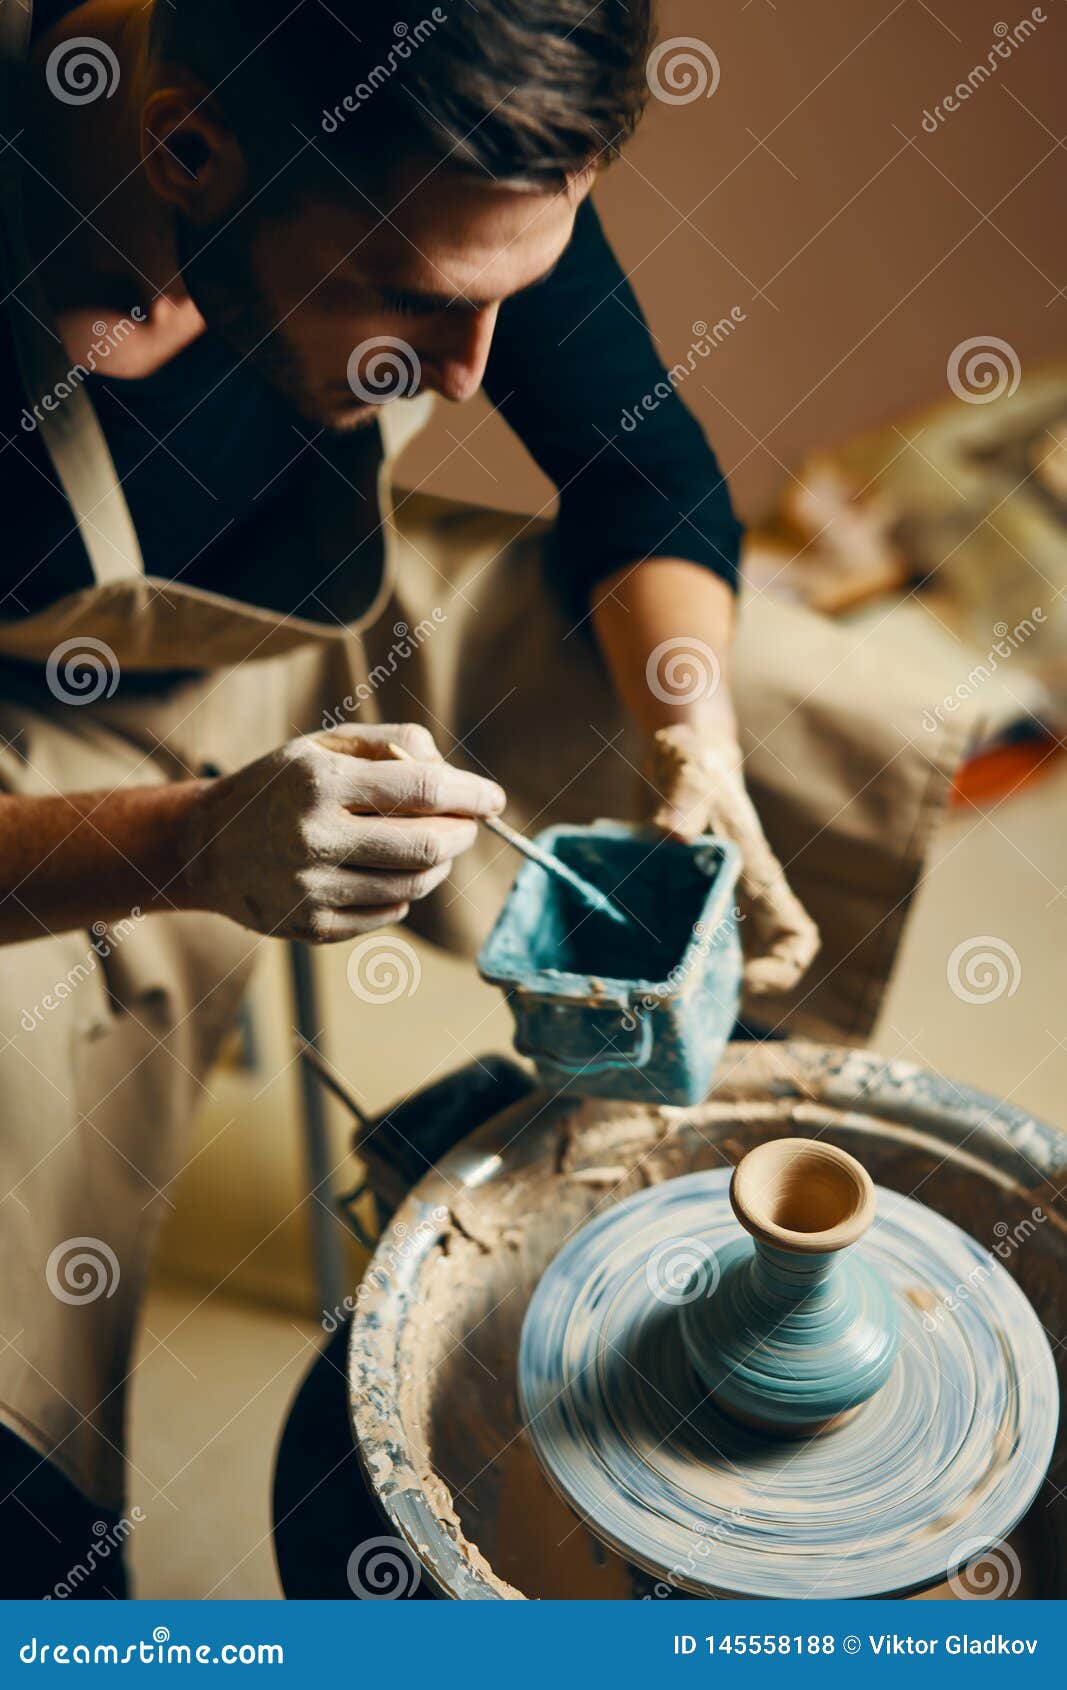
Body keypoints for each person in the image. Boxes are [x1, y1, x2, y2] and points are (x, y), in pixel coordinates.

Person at [0, 1, 959, 1595]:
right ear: (182, 144)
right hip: (47, 747)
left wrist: (691, 742)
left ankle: (707, 1208)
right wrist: (190, 841)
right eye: (418, 303)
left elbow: (641, 469)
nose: (463, 375)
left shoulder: (436, 108)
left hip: (337, 625)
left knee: (813, 711)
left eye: (508, 293)